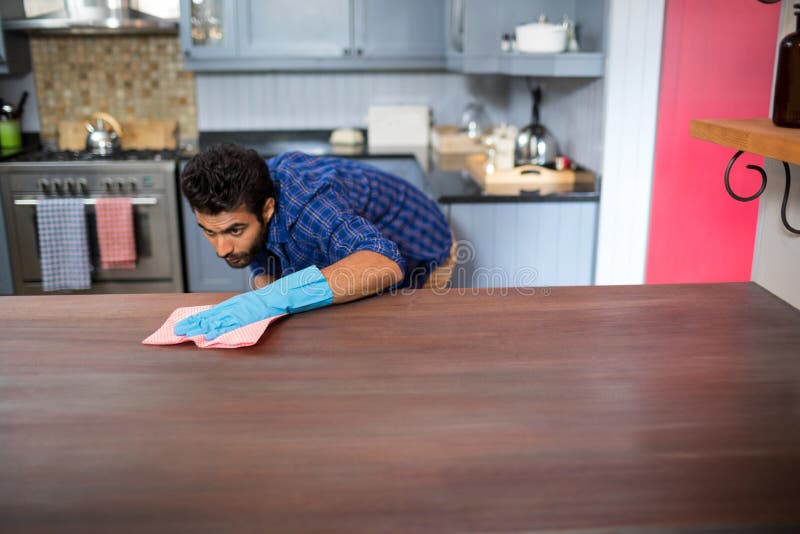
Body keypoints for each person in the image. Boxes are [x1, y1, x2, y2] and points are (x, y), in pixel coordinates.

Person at [174, 144, 455, 340]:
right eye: (209, 232)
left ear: (267, 209)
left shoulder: (309, 203)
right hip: (352, 245)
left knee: (386, 343)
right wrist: (265, 289)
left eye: (234, 231)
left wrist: (276, 297)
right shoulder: (250, 190)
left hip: (420, 243)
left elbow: (385, 264)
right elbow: (265, 250)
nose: (222, 250)